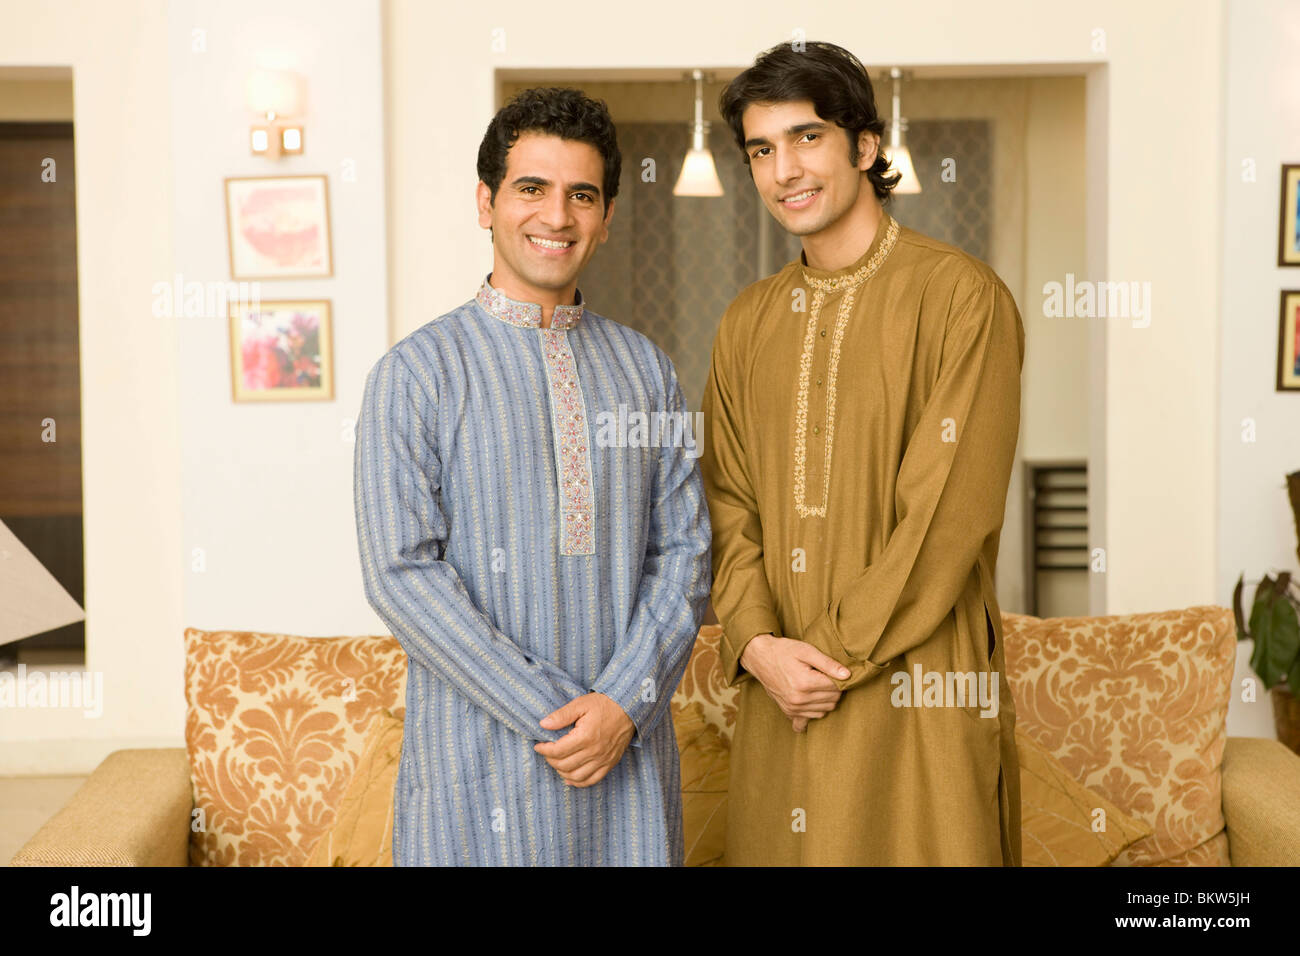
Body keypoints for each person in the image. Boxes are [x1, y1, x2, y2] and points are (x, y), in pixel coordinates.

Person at [354, 87, 711, 866]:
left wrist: (623, 702)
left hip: (626, 757)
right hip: (476, 761)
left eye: (582, 194)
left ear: (607, 216)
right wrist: (549, 711)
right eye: (531, 188)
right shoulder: (416, 374)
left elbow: (686, 557)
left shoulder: (648, 371)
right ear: (485, 203)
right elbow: (400, 575)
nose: (557, 216)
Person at [701, 41, 1024, 865]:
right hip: (781, 691)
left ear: (866, 147)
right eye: (761, 151)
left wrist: (829, 659)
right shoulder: (747, 321)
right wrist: (756, 643)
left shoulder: (961, 297)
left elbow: (947, 517)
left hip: (916, 683)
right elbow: (727, 503)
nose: (784, 171)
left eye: (806, 137)